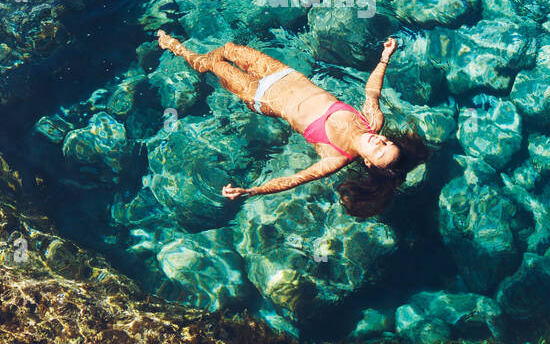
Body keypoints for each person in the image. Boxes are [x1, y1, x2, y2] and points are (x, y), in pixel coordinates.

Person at [156, 31, 429, 218]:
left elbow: (294, 180)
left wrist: (251, 190)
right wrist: (385, 58)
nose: (379, 141)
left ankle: (177, 48)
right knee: (227, 50)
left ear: (369, 163)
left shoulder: (335, 158)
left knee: (214, 66)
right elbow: (372, 92)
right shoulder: (372, 121)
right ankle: (202, 58)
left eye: (380, 151)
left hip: (260, 96)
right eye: (387, 142)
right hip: (281, 72)